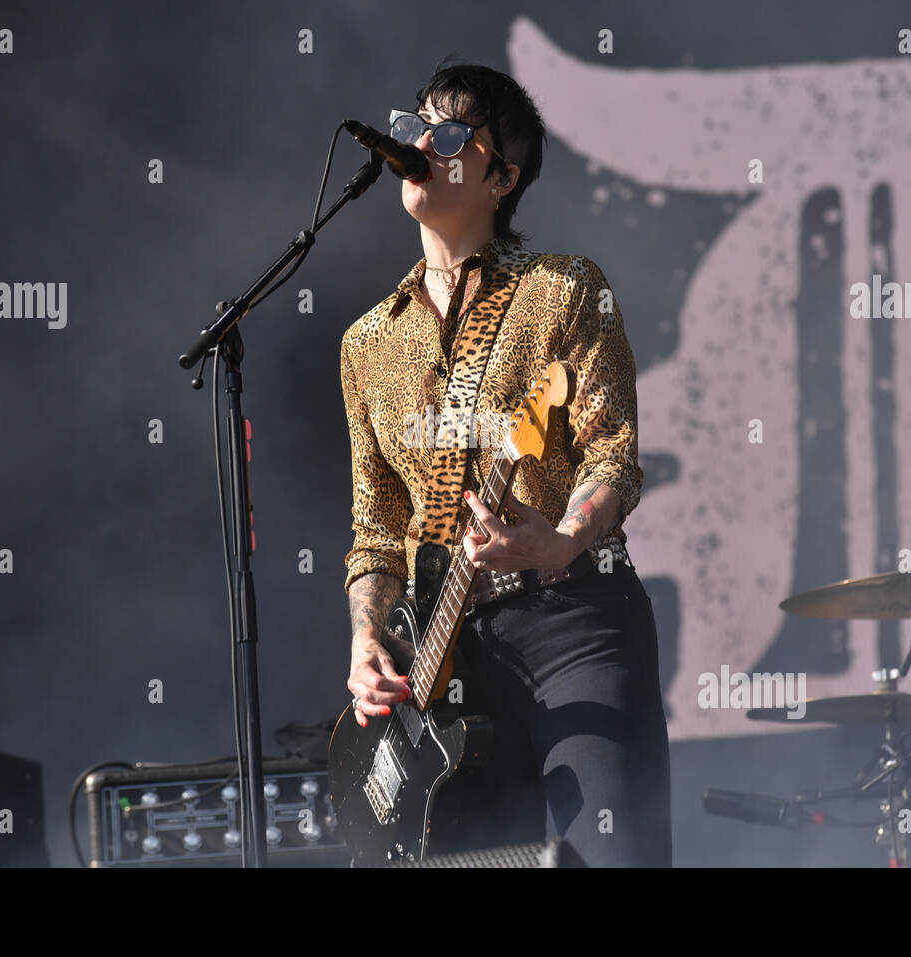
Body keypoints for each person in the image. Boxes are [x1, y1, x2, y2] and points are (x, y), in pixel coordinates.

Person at [339, 59, 671, 867]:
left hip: (572, 622)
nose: (420, 141)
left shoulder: (563, 290)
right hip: (445, 659)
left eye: (451, 134)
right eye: (415, 123)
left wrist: (560, 539)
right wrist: (366, 640)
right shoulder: (366, 341)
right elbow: (376, 527)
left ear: (502, 177)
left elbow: (614, 454)